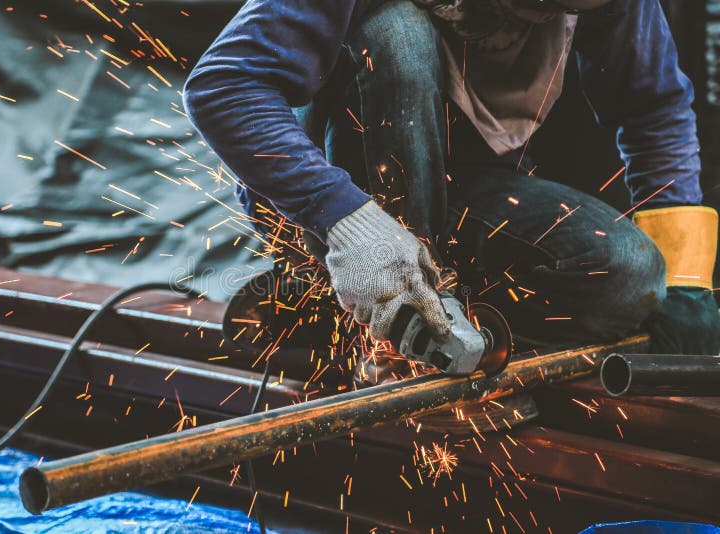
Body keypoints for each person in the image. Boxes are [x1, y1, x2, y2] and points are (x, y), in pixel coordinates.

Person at [184, 0, 720, 358]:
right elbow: (222, 87)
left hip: (468, 186)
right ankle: (373, 330)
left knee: (630, 273)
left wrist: (687, 282)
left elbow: (653, 110)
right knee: (397, 34)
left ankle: (457, 334)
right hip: (332, 199)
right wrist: (347, 222)